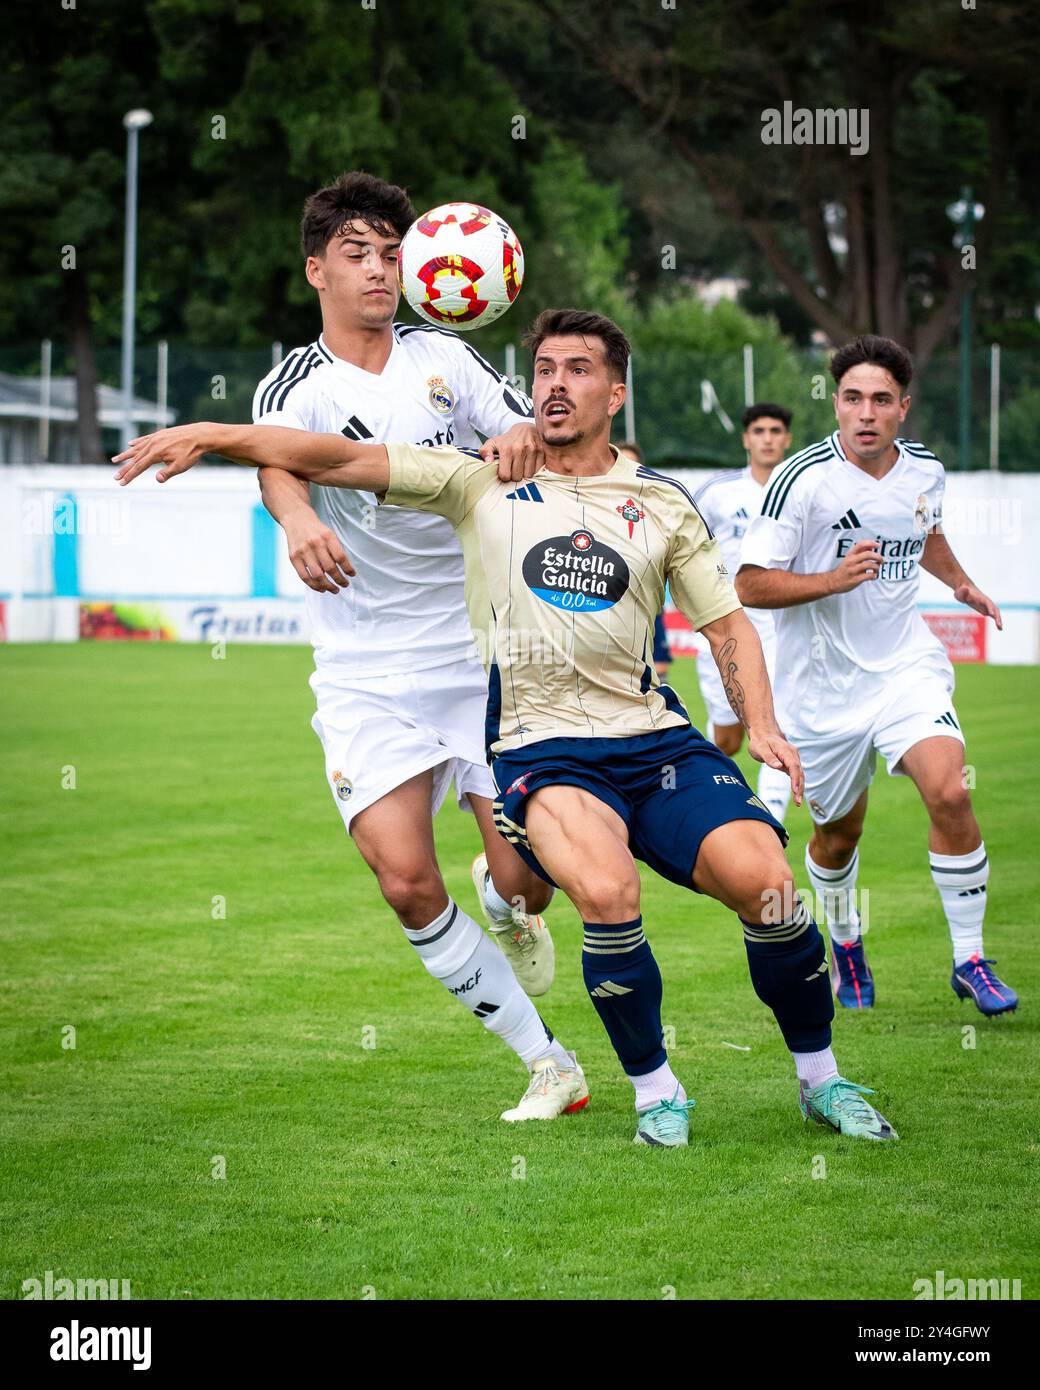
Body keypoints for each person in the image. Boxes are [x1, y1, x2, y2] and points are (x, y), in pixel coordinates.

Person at [115, 308, 899, 1146]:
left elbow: (727, 625)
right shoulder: (472, 479)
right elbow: (333, 456)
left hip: (655, 740)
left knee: (773, 889)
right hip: (544, 749)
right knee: (604, 893)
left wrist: (764, 725)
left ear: (616, 392)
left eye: (579, 369)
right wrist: (214, 433)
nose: (556, 384)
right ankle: (656, 1092)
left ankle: (821, 1079)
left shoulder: (661, 501)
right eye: (545, 370)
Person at [181, 171, 592, 1123]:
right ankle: (548, 1064)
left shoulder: (444, 354)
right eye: (358, 253)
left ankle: (508, 895)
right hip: (367, 669)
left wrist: (527, 441)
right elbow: (278, 463)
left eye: (392, 252)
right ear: (317, 267)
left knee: (534, 873)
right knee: (406, 881)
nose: (379, 269)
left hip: (481, 655)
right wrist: (295, 523)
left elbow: (526, 430)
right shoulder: (297, 381)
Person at [736, 334, 1017, 1016]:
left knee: (950, 790)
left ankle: (970, 958)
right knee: (838, 837)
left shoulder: (925, 470)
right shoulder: (800, 480)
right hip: (821, 693)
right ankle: (849, 946)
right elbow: (748, 584)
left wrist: (960, 583)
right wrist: (830, 579)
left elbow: (926, 534)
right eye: (853, 398)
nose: (866, 412)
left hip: (903, 669)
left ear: (903, 408)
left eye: (881, 400)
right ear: (835, 403)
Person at [693, 405, 794, 824]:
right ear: (746, 439)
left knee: (780, 726)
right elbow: (687, 543)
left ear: (787, 439)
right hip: (728, 626)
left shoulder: (801, 487)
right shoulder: (718, 492)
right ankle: (709, 791)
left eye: (775, 431)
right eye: (759, 431)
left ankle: (767, 824)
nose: (767, 438)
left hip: (787, 627)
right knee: (730, 739)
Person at [617, 440, 672, 678]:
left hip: (646, 607)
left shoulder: (656, 511)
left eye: (634, 465)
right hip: (602, 611)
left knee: (658, 672)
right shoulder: (584, 509)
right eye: (622, 463)